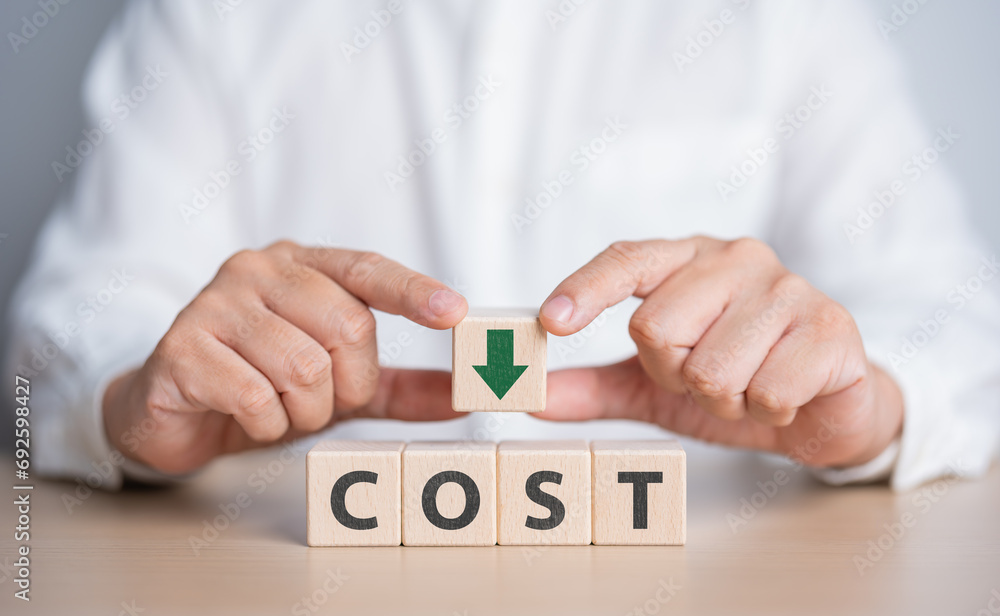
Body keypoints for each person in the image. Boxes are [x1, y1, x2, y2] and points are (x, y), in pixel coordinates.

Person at [6, 0, 999, 492]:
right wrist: (129, 391)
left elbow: (959, 317)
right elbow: (54, 334)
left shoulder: (789, 15)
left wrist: (871, 401)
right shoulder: (214, 16)